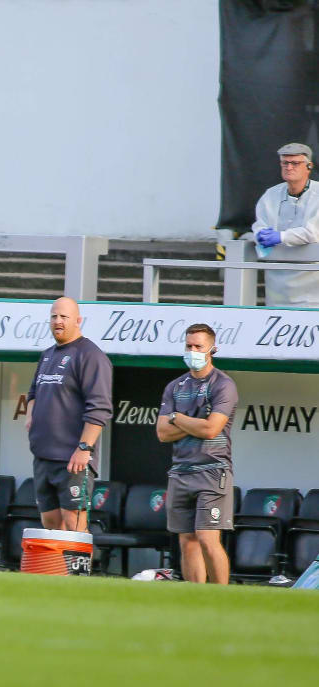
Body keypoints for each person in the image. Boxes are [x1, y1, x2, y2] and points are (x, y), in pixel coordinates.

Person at [156, 323, 237, 585]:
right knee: (187, 540)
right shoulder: (174, 386)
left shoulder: (223, 384)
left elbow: (211, 429)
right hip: (180, 471)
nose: (193, 351)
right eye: (189, 346)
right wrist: (191, 420)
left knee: (206, 537)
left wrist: (176, 418)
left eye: (198, 346)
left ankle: (221, 596)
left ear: (212, 349)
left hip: (212, 471)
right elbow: (162, 433)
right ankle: (195, 597)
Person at [25, 297, 113, 532]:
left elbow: (100, 407)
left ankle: (78, 570)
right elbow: (33, 391)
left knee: (74, 522)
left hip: (72, 457)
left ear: (78, 320)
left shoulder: (90, 355)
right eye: (54, 316)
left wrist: (84, 448)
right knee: (51, 524)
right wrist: (31, 415)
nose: (58, 321)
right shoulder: (47, 355)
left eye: (64, 317)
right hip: (43, 457)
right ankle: (55, 570)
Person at [252, 142, 319, 307]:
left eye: (295, 163)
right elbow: (260, 223)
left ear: (309, 166)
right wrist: (260, 234)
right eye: (285, 163)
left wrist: (281, 236)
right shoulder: (271, 194)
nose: (289, 167)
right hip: (277, 280)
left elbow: (312, 233)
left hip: (311, 279)